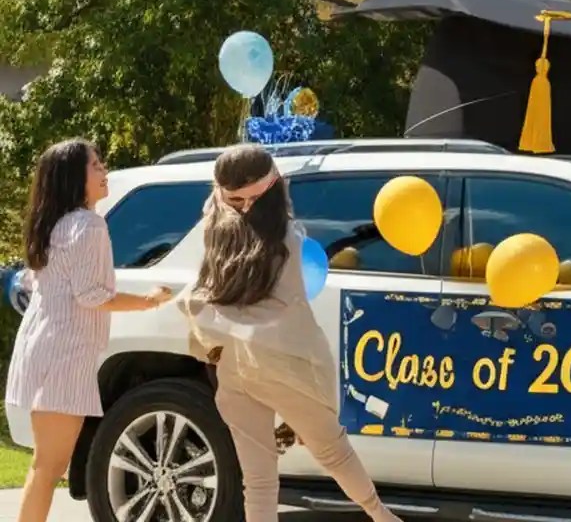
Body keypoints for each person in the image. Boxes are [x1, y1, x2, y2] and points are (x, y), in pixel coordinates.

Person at [175, 144, 402, 522]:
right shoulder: (288, 240)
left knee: (260, 480)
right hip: (286, 364)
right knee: (332, 452)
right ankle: (380, 515)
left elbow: (209, 289)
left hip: (238, 365)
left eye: (246, 199)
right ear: (277, 188)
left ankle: (380, 516)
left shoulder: (217, 230)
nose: (245, 207)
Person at [5, 139, 173, 522]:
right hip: (66, 354)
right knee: (48, 468)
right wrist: (149, 300)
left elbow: (39, 285)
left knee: (43, 466)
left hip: (40, 346)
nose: (104, 170)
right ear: (73, 177)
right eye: (95, 165)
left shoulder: (54, 226)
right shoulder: (89, 225)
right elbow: (92, 295)